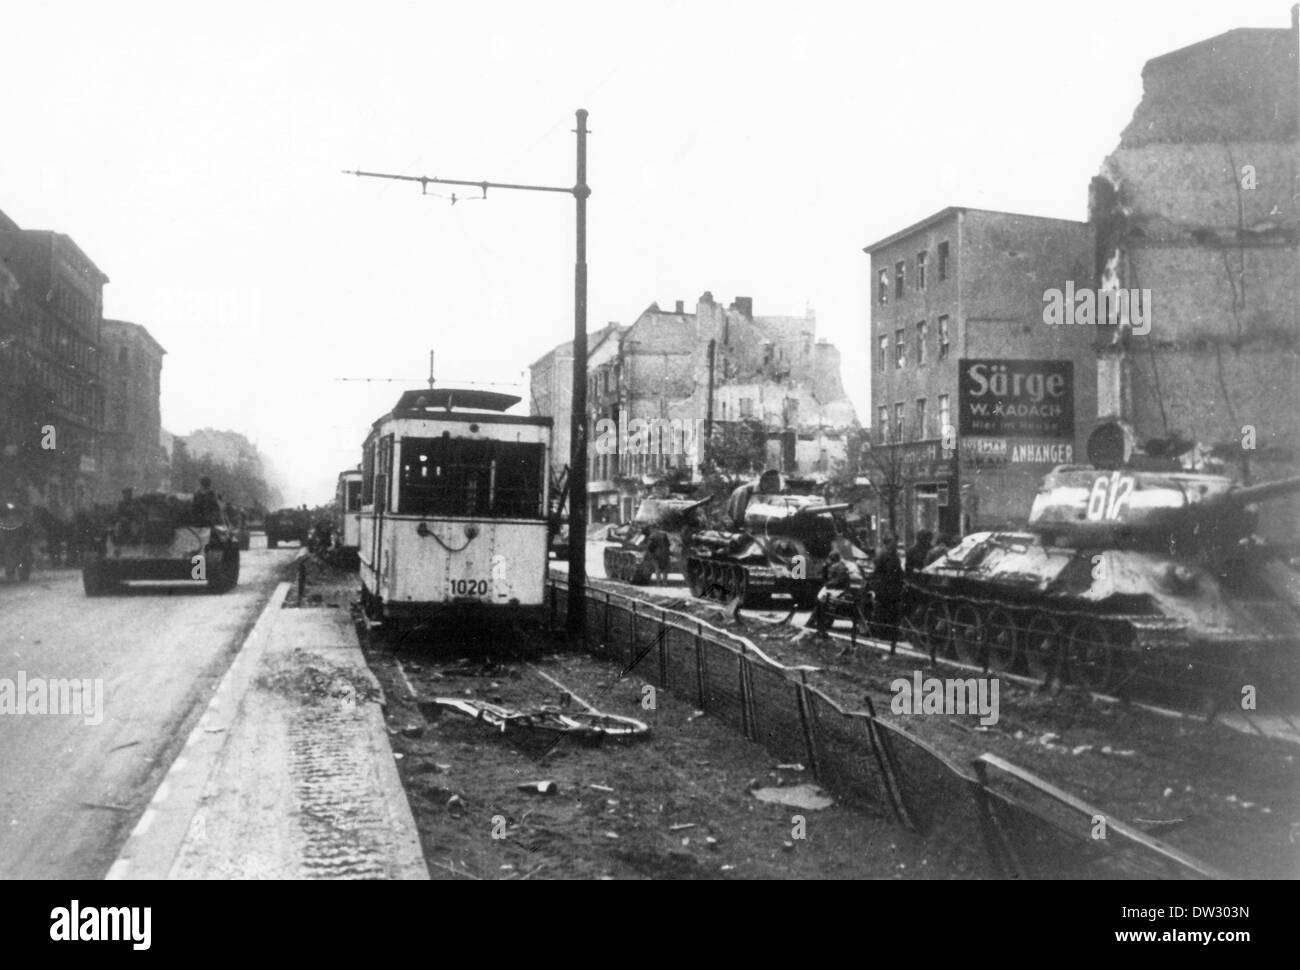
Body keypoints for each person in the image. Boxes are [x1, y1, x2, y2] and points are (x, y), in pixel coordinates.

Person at [872, 534, 905, 655]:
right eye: (894, 542)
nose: (896, 544)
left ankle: (886, 633)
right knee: (886, 610)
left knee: (887, 610)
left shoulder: (888, 552)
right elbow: (891, 571)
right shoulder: (886, 554)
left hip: (887, 587)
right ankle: (885, 634)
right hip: (886, 587)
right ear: (888, 542)